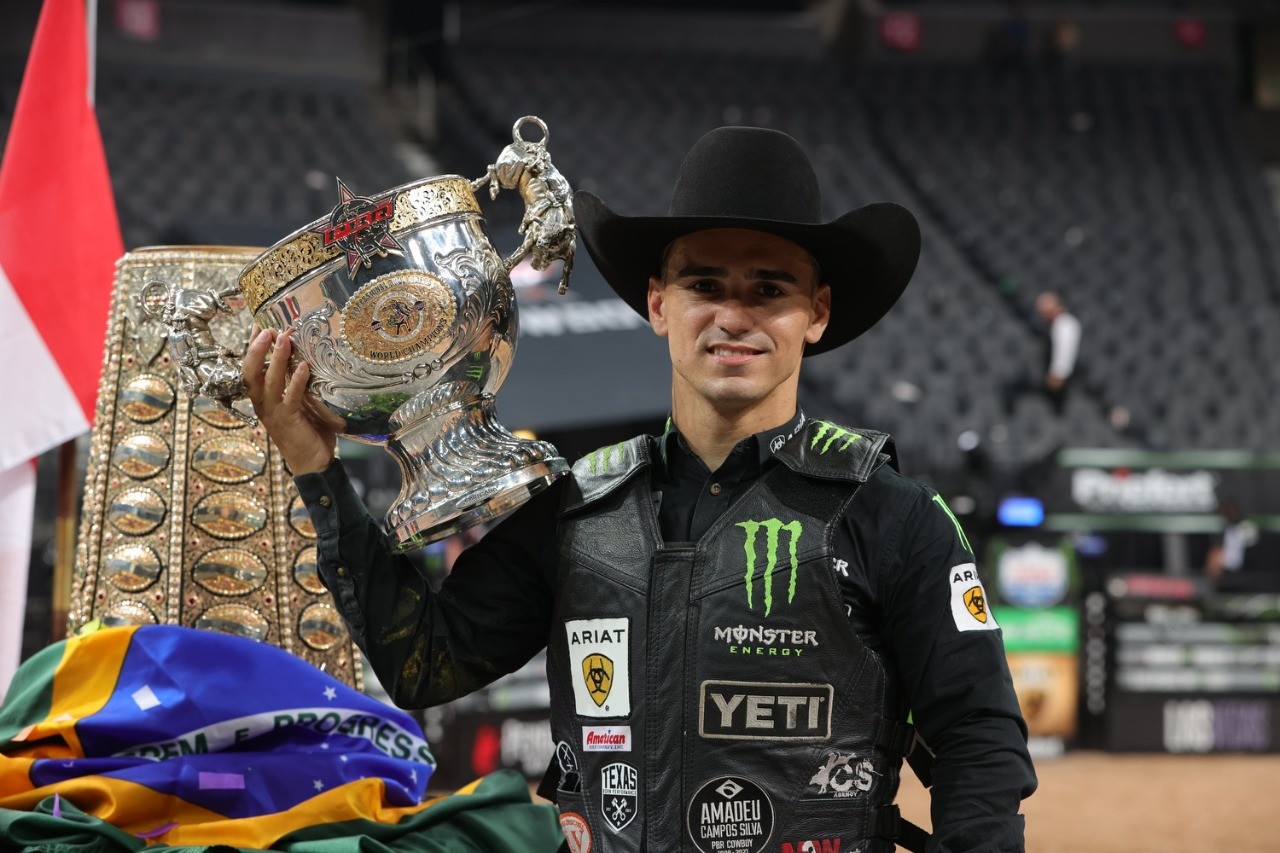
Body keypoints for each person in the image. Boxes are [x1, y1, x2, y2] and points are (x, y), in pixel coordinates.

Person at [244, 127, 1036, 852]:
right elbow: (423, 663)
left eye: (770, 289)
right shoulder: (575, 507)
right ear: (658, 303)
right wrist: (320, 469)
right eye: (704, 284)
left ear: (816, 313)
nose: (734, 314)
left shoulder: (894, 517)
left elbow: (978, 743)